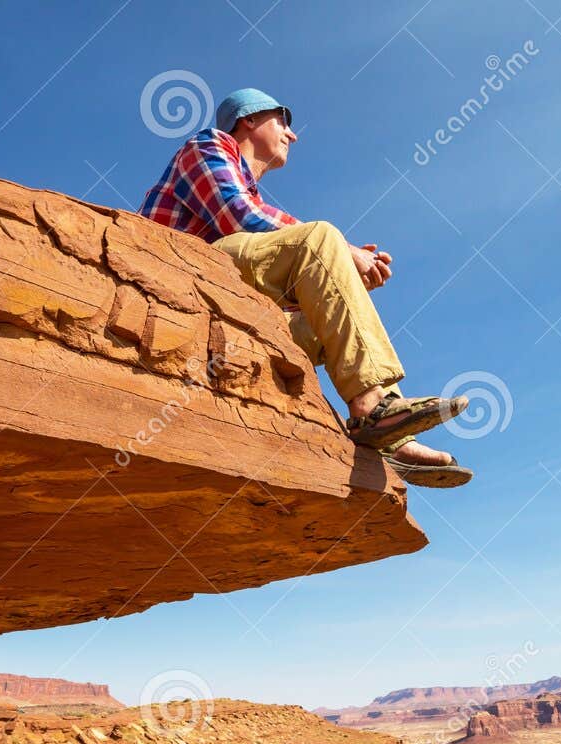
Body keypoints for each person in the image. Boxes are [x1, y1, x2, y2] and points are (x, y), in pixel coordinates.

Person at [139, 87, 472, 488]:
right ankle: (371, 406)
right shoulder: (209, 145)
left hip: (227, 303)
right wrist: (340, 250)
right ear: (249, 119)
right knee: (320, 237)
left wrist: (341, 277)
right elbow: (238, 215)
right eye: (282, 120)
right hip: (183, 273)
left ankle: (395, 435)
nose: (292, 135)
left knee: (325, 281)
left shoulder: (248, 185)